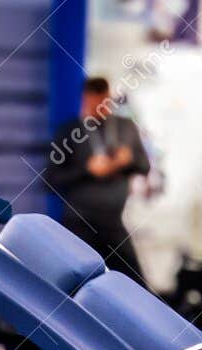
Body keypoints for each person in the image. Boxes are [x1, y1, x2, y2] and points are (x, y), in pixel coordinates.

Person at [47, 77, 150, 284]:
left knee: (134, 283)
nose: (99, 106)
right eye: (94, 100)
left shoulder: (125, 127)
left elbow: (144, 166)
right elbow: (50, 180)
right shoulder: (69, 132)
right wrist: (87, 170)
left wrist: (126, 161)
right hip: (79, 223)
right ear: (85, 99)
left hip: (113, 223)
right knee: (72, 282)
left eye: (103, 100)